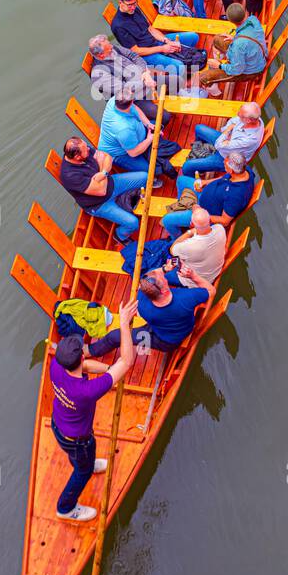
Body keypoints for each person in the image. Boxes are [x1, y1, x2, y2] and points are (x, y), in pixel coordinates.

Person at [50, 297, 139, 521]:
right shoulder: (87, 391)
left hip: (59, 426)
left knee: (79, 459)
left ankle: (82, 462)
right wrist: (124, 323)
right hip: (78, 439)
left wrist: (110, 370)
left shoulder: (56, 366)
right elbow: (127, 361)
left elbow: (85, 366)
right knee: (83, 472)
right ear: (81, 356)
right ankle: (65, 507)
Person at [88, 265, 217, 358]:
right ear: (165, 290)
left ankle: (89, 351)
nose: (165, 278)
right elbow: (212, 291)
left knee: (114, 336)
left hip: (158, 325)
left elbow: (146, 279)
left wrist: (164, 269)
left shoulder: (142, 303)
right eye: (165, 280)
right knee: (115, 336)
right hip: (170, 340)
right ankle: (91, 351)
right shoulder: (187, 298)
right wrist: (193, 275)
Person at [59, 136, 147, 244]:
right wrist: (103, 170)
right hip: (99, 203)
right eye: (85, 149)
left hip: (112, 183)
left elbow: (107, 157)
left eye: (86, 146)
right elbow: (102, 191)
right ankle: (119, 236)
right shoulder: (70, 176)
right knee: (133, 223)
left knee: (144, 177)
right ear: (77, 157)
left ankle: (122, 200)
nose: (88, 148)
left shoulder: (82, 150)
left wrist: (103, 173)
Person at [111, 0, 200, 82]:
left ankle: (177, 57)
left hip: (156, 42)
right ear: (120, 3)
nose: (133, 7)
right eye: (129, 5)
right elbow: (136, 51)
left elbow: (150, 29)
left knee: (193, 37)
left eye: (134, 3)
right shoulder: (118, 26)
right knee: (180, 66)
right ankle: (181, 82)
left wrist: (167, 41)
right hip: (146, 54)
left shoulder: (134, 10)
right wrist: (163, 48)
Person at [162, 150, 256, 239]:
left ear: (231, 171)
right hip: (203, 194)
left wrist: (197, 212)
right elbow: (224, 178)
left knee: (167, 221)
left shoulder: (236, 196)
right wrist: (205, 182)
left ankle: (177, 238)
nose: (223, 162)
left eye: (225, 164)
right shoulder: (245, 170)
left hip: (204, 213)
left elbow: (225, 221)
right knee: (181, 180)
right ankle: (182, 205)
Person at [97, 94, 180, 184]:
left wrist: (148, 124)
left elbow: (135, 107)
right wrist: (149, 139)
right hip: (121, 153)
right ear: (131, 101)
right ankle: (152, 180)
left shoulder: (115, 100)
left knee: (157, 125)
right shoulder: (123, 129)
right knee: (154, 168)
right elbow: (133, 152)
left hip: (134, 136)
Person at [88, 34, 158, 120]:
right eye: (109, 50)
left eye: (110, 44)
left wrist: (145, 72)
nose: (112, 48)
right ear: (101, 56)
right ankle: (147, 128)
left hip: (145, 79)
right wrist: (145, 82)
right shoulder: (98, 74)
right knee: (164, 116)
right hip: (132, 100)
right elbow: (125, 89)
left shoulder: (113, 48)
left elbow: (134, 56)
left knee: (176, 81)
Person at [184, 101, 265, 175]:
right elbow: (233, 121)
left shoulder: (249, 140)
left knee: (187, 166)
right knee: (199, 128)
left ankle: (193, 184)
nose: (237, 115)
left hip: (226, 158)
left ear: (248, 120)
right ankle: (199, 154)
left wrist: (229, 130)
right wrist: (227, 132)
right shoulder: (256, 118)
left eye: (240, 116)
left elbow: (218, 146)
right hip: (226, 142)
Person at [200, 3, 268, 87]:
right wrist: (235, 37)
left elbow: (237, 70)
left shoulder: (238, 45)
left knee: (203, 77)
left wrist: (219, 66)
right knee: (217, 39)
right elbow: (253, 36)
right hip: (255, 55)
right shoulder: (253, 19)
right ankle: (219, 62)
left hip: (251, 71)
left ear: (230, 20)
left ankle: (215, 93)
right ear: (244, 13)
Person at [164, 205, 226, 285]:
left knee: (151, 272)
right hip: (214, 271)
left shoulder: (189, 246)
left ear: (192, 224)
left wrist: (189, 232)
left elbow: (172, 249)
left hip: (194, 281)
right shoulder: (220, 229)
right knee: (174, 258)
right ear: (210, 220)